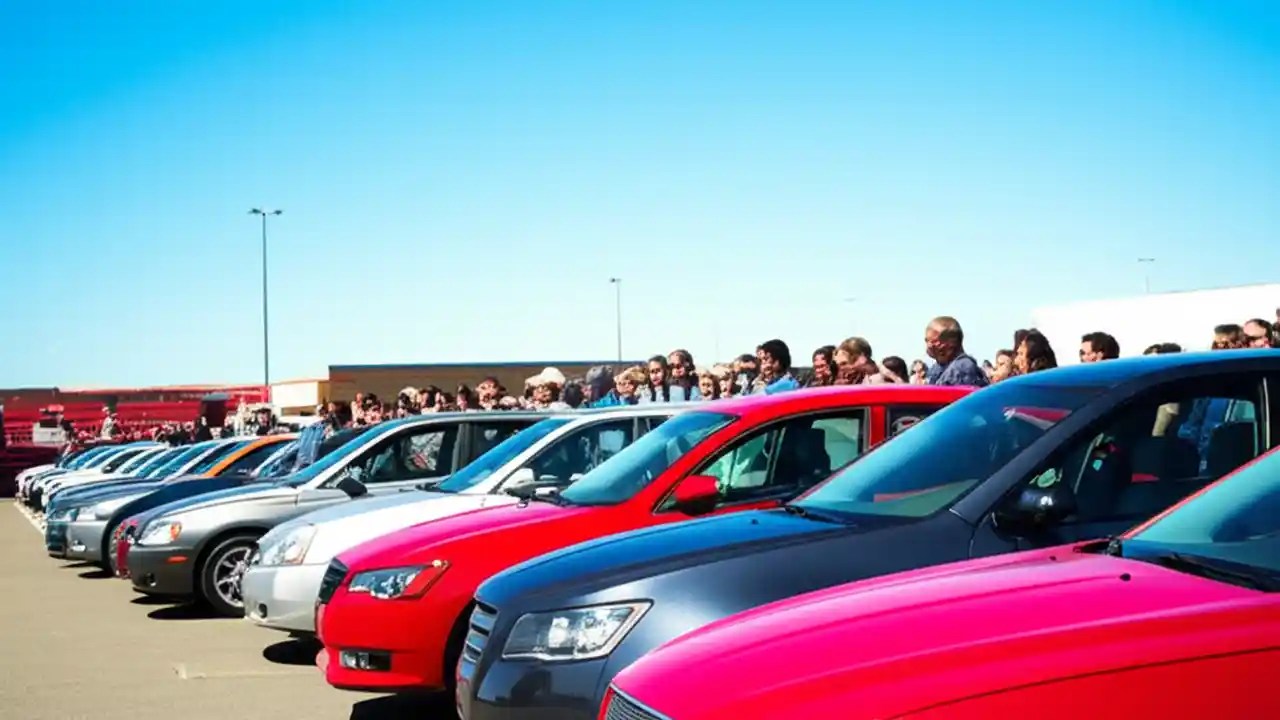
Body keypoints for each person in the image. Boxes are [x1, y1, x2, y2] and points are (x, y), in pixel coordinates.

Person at [923, 317, 988, 387]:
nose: (930, 347)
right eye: (927, 341)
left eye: (934, 342)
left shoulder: (962, 368)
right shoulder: (940, 368)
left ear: (951, 343)